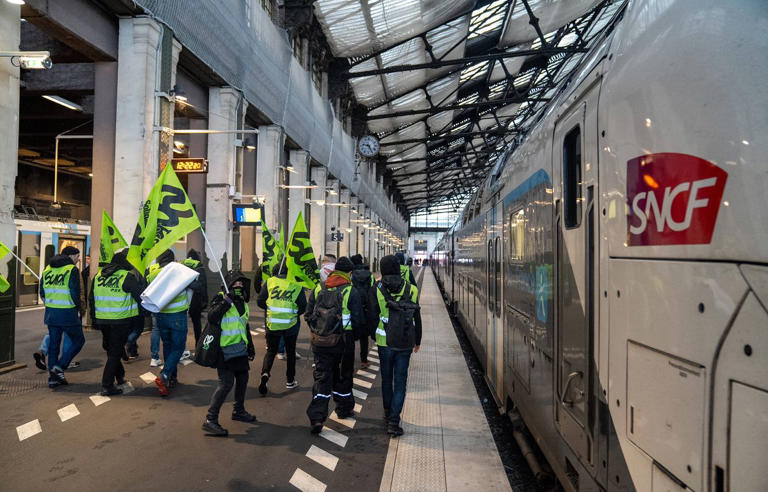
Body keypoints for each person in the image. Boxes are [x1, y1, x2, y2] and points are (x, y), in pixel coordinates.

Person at [306, 256, 364, 434]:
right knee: (343, 376)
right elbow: (359, 320)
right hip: (343, 341)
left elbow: (308, 314)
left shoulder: (319, 288)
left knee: (322, 377)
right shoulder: (350, 291)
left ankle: (316, 417)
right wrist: (355, 338)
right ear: (349, 273)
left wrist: (318, 331)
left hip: (320, 342)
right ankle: (343, 409)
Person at [369, 255, 422, 437]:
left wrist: (373, 335)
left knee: (386, 379)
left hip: (384, 342)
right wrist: (418, 340)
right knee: (400, 381)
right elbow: (417, 316)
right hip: (405, 341)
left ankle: (386, 412)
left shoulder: (376, 288)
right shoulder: (412, 289)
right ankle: (394, 420)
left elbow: (373, 315)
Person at [202, 271, 257, 437]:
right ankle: (210, 420)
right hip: (223, 349)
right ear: (228, 284)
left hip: (239, 348)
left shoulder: (242, 301)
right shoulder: (220, 298)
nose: (239, 286)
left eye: (241, 284)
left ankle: (238, 411)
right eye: (235, 283)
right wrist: (227, 300)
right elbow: (211, 316)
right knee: (226, 384)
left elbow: (243, 325)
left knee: (243, 378)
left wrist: (250, 346)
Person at [90, 250, 145, 396]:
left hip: (103, 320)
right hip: (121, 320)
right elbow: (141, 296)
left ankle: (120, 376)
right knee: (114, 352)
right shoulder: (126, 277)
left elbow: (92, 298)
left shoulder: (98, 276)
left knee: (113, 349)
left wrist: (93, 319)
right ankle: (107, 386)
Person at [149, 250, 197, 395]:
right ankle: (165, 374)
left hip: (160, 316)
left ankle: (171, 378)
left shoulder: (153, 273)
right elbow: (197, 286)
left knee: (168, 346)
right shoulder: (180, 272)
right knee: (178, 347)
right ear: (172, 259)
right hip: (177, 316)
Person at [257, 262, 306, 394]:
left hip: (273, 323)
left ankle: (265, 374)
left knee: (271, 351)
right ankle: (290, 381)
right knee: (290, 353)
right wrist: (294, 313)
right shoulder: (296, 284)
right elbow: (303, 306)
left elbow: (260, 301)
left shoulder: (269, 282)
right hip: (290, 324)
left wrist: (270, 309)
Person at [40, 245, 86, 388]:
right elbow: (74, 292)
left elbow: (42, 291)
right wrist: (78, 307)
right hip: (67, 313)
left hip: (51, 313)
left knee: (54, 345)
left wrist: (50, 304)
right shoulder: (71, 270)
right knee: (79, 340)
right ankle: (60, 366)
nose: (78, 259)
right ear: (71, 257)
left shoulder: (47, 269)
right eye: (77, 256)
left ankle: (53, 379)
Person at [350, 254, 374, 368]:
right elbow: (373, 291)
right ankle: (364, 360)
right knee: (364, 337)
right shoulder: (370, 275)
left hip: (353, 309)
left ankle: (348, 360)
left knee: (351, 335)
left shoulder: (350, 275)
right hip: (366, 309)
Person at [183, 249, 208, 345]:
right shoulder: (200, 268)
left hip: (183, 300)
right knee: (197, 324)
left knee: (182, 326)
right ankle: (198, 344)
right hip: (196, 301)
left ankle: (182, 347)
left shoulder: (183, 267)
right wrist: (205, 301)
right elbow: (203, 286)